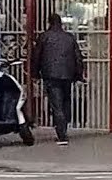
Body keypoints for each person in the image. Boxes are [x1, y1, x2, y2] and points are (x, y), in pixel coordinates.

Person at [32, 13, 84, 146]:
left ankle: (62, 135)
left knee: (57, 105)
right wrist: (79, 75)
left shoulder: (44, 37)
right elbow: (78, 57)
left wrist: (35, 74)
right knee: (66, 102)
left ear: (49, 22)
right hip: (68, 75)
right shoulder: (69, 38)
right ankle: (64, 128)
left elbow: (36, 56)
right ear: (61, 23)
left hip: (51, 75)